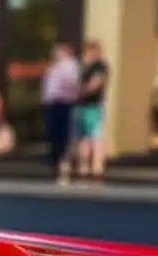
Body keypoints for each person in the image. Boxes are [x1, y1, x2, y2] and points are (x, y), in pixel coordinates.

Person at [41, 43, 80, 184]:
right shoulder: (54, 66)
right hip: (53, 103)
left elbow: (72, 83)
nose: (55, 54)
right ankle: (56, 162)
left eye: (58, 52)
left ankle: (65, 165)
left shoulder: (70, 66)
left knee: (63, 135)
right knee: (53, 134)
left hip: (64, 103)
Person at [73, 39, 110, 182]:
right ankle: (83, 167)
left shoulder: (100, 66)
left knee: (95, 136)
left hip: (93, 106)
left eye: (91, 51)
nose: (88, 54)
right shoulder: (83, 67)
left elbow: (96, 83)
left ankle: (96, 167)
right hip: (81, 106)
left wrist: (80, 92)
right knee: (83, 137)